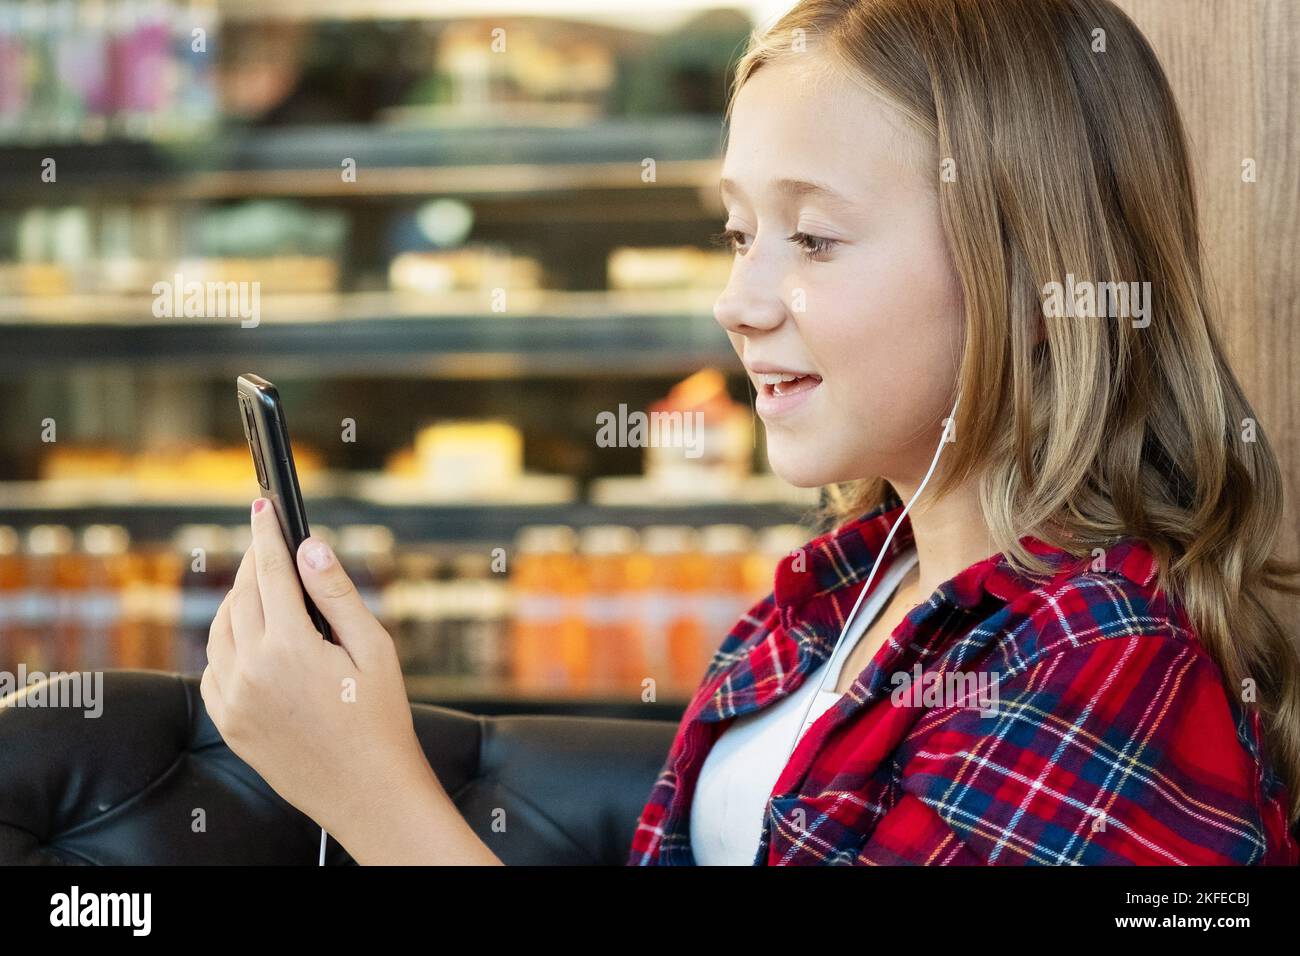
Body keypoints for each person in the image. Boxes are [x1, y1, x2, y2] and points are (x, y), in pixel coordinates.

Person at [201, 0, 1300, 865]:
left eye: (814, 238)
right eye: (738, 231)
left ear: (1026, 274)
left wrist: (369, 789)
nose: (738, 298)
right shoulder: (853, 585)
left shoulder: (1099, 670)